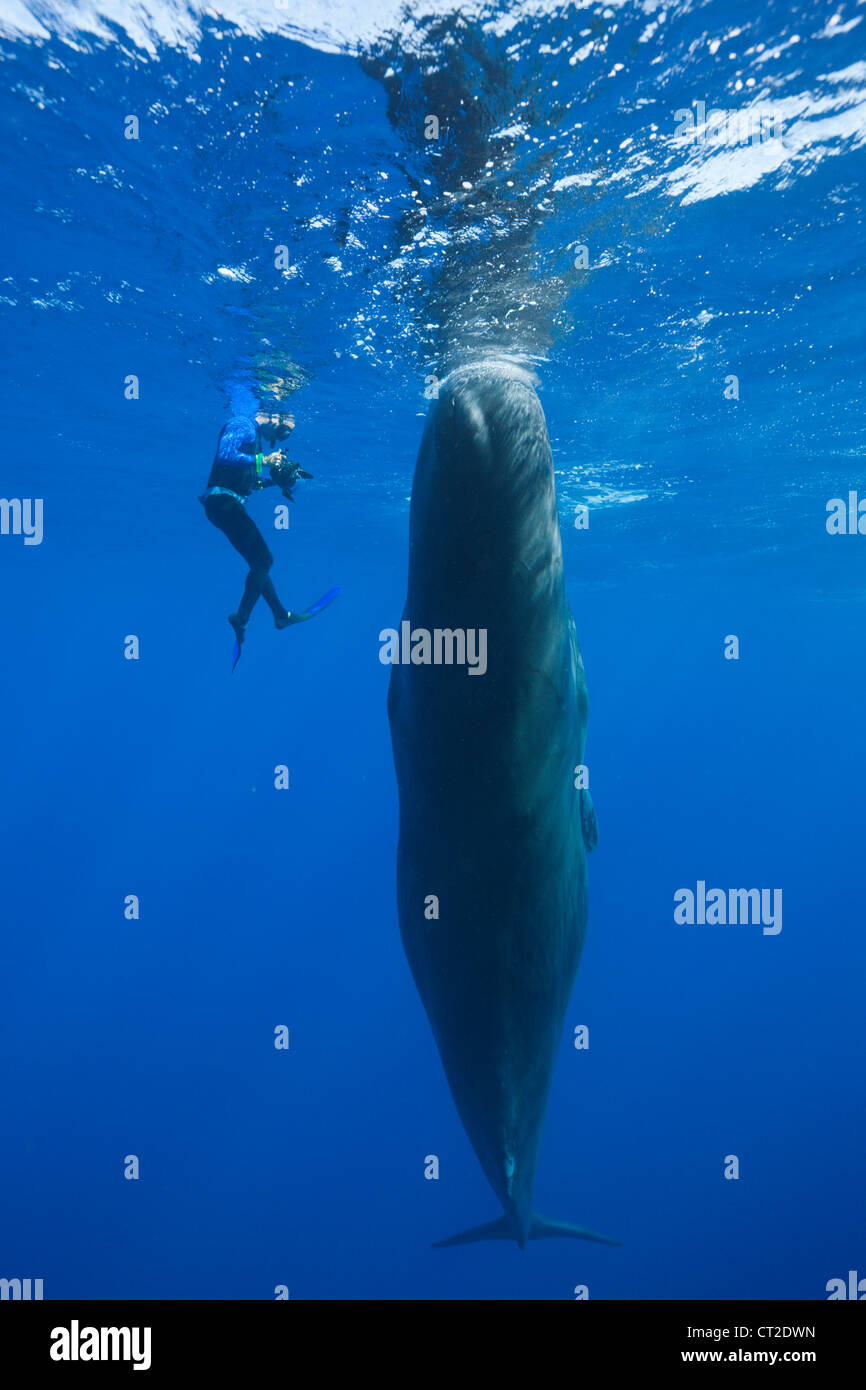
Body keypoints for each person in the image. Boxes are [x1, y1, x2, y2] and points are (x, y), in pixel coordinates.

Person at [200, 405, 313, 653]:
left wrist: (277, 480)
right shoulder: (242, 424)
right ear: (271, 415)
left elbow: (251, 483)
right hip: (223, 502)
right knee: (264, 560)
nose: (278, 438)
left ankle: (280, 615)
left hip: (226, 503)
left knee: (260, 563)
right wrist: (264, 459)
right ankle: (243, 618)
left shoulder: (255, 438)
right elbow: (224, 454)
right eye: (282, 429)